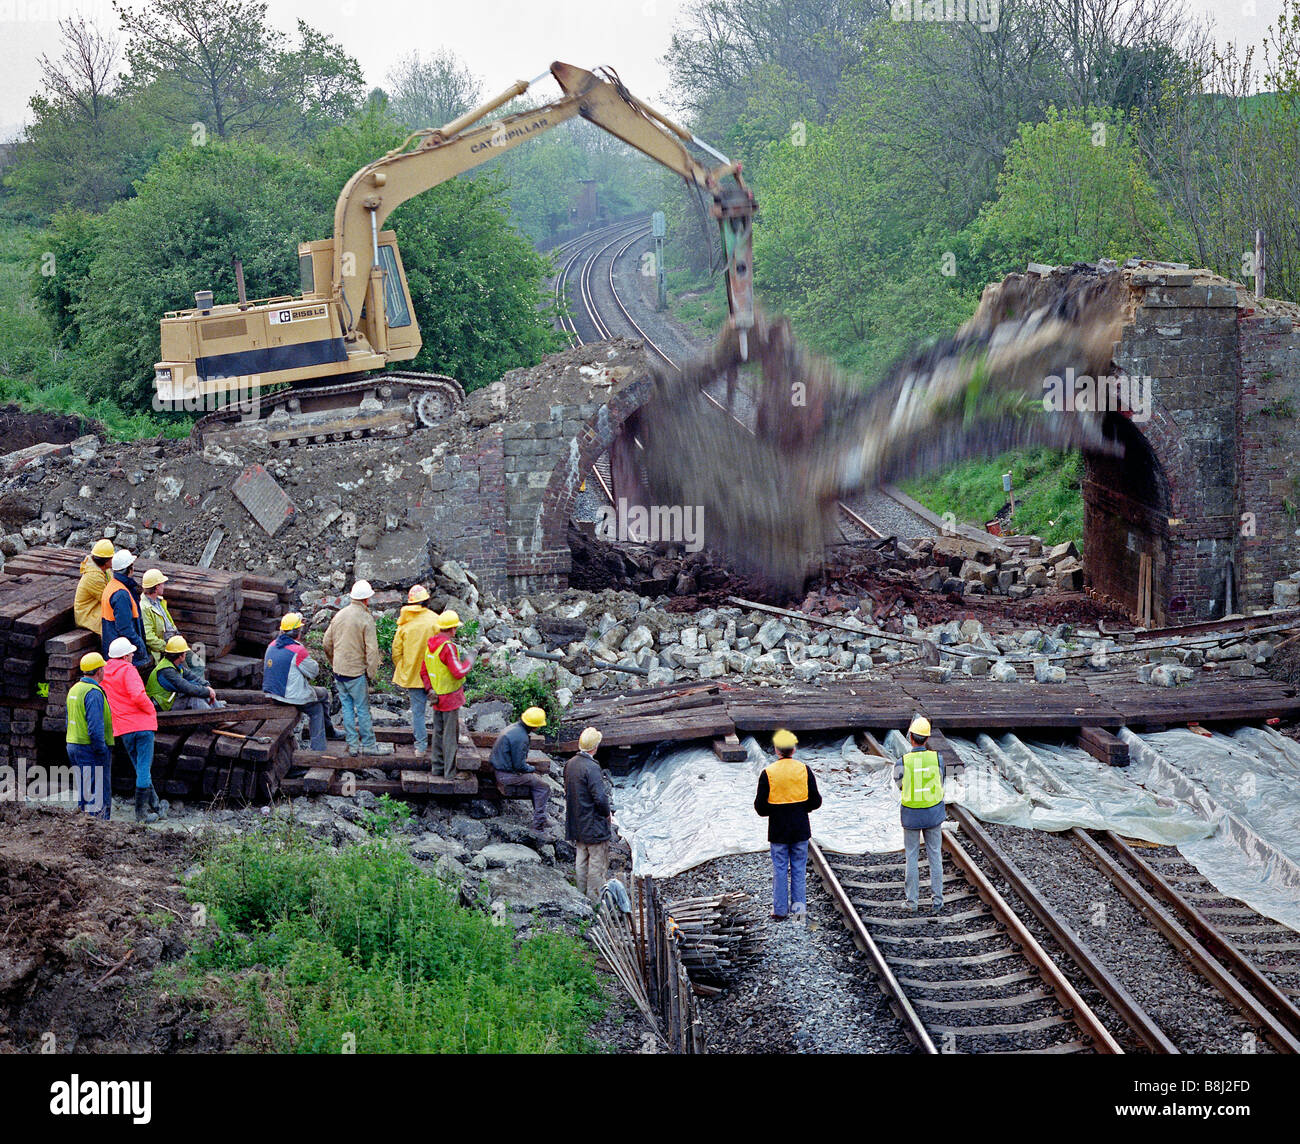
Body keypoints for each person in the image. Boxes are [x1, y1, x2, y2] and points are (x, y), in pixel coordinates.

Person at [754, 729, 822, 923]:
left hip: (778, 830)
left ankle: (780, 911)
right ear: (794, 749)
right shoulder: (804, 769)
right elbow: (815, 801)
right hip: (800, 828)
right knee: (799, 869)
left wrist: (776, 811)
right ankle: (799, 912)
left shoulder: (768, 773)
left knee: (780, 869)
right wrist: (801, 808)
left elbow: (760, 807)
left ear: (776, 750)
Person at [322, 580, 392, 756]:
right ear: (366, 600)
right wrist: (371, 673)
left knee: (346, 707)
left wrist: (334, 662)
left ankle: (353, 746)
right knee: (362, 709)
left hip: (339, 671)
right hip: (355, 673)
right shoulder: (365, 618)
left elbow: (326, 642)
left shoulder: (340, 615)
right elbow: (372, 650)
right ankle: (369, 745)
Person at [101, 637, 166, 823]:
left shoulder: (106, 672)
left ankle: (155, 804)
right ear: (124, 656)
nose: (132, 655)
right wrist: (150, 709)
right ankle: (142, 815)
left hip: (123, 728)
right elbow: (137, 695)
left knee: (140, 767)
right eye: (130, 653)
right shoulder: (128, 670)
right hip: (142, 725)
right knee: (144, 769)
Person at [263, 613, 341, 751]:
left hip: (272, 694)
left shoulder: (272, 645)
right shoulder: (298, 650)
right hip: (288, 696)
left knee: (322, 693)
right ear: (297, 632)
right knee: (317, 709)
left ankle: (329, 732)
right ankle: (319, 748)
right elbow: (314, 671)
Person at [894, 715, 946, 912]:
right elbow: (941, 780)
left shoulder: (903, 762)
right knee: (935, 856)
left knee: (912, 857)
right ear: (927, 738)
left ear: (910, 738)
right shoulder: (937, 758)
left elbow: (899, 784)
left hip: (911, 815)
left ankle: (912, 902)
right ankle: (937, 901)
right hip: (933, 813)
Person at [419, 609, 473, 776]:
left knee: (438, 734)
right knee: (450, 736)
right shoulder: (447, 647)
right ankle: (449, 774)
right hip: (450, 697)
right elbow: (457, 672)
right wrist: (469, 662)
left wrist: (430, 689)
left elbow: (424, 672)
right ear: (452, 629)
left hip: (436, 698)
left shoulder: (430, 646)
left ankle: (437, 769)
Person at [565, 727, 613, 902]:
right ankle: (594, 901)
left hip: (577, 822)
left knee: (581, 859)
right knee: (596, 864)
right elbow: (600, 797)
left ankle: (579, 895)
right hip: (593, 823)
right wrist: (607, 814)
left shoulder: (570, 764)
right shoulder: (591, 767)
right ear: (595, 747)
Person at [390, 584, 439, 752]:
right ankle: (442, 746)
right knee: (440, 711)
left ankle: (421, 747)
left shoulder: (405, 623)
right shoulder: (435, 620)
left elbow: (396, 651)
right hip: (435, 675)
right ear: (427, 601)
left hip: (413, 676)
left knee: (417, 714)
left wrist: (403, 667)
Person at [66, 651, 112, 819]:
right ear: (99, 671)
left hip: (73, 744)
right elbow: (95, 727)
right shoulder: (93, 692)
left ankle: (83, 826)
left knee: (85, 789)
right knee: (97, 791)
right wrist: (101, 749)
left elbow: (68, 718)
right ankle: (97, 829)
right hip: (89, 747)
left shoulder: (74, 689)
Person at [490, 706, 550, 833]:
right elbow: (519, 766)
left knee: (536, 781)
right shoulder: (521, 738)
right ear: (534, 726)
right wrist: (533, 769)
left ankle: (541, 818)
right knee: (543, 787)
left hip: (500, 769)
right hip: (506, 775)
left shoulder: (514, 728)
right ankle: (538, 825)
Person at [100, 549, 151, 671]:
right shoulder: (121, 594)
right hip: (123, 653)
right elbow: (125, 628)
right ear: (129, 569)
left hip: (115, 648)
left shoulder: (113, 585)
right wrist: (139, 646)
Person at [147, 636, 218, 711]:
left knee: (203, 693)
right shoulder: (167, 671)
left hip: (169, 702)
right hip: (161, 708)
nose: (186, 654)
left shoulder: (174, 664)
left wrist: (206, 686)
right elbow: (188, 688)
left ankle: (220, 712)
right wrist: (207, 692)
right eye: (185, 652)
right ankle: (215, 719)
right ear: (180, 656)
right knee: (195, 699)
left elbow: (191, 676)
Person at [140, 569, 182, 662]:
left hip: (174, 641)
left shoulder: (159, 601)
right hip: (166, 647)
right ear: (156, 587)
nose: (164, 586)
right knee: (188, 669)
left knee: (197, 665)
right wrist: (167, 647)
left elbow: (169, 623)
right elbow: (149, 637)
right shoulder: (144, 608)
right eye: (162, 583)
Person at [75, 540, 115, 636]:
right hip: (88, 614)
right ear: (106, 561)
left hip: (96, 606)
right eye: (112, 557)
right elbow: (107, 599)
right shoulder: (93, 577)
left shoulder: (105, 570)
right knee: (113, 623)